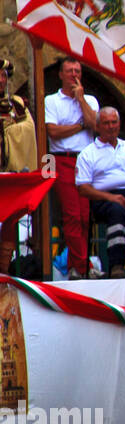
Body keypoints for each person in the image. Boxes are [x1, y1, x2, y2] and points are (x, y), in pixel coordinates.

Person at [44, 58, 99, 278]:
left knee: (85, 215)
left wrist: (81, 99)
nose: (74, 74)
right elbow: (53, 132)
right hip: (63, 159)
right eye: (69, 71)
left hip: (86, 159)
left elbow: (95, 125)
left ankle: (81, 264)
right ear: (61, 74)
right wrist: (79, 126)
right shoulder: (52, 100)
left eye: (77, 70)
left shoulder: (90, 100)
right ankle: (80, 267)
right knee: (72, 214)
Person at [74, 108, 125, 279]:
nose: (111, 126)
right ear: (97, 126)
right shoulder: (88, 153)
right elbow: (82, 188)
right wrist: (111, 197)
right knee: (116, 209)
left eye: (114, 122)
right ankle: (117, 266)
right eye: (106, 123)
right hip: (104, 198)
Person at [0, 59, 36, 272]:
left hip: (9, 174)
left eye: (4, 76)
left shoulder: (16, 105)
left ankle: (4, 270)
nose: (1, 80)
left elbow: (29, 129)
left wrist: (8, 132)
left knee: (11, 220)